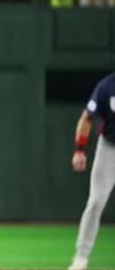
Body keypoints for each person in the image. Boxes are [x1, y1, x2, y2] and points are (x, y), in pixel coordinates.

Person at [69, 72, 115, 270]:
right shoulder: (107, 86)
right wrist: (80, 149)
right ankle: (81, 258)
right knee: (96, 201)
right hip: (110, 148)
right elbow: (87, 117)